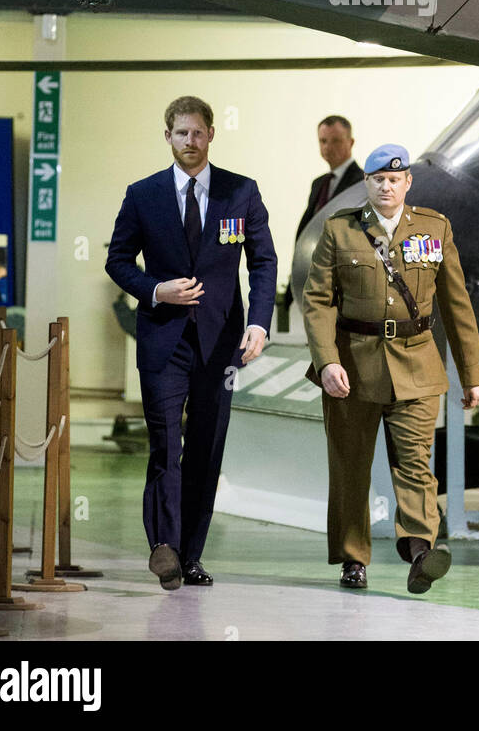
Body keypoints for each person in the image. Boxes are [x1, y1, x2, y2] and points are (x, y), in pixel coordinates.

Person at [105, 95, 277, 590]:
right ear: (168, 137)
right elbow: (118, 260)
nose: (190, 141)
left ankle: (190, 554)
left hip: (220, 344)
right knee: (165, 443)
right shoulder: (143, 195)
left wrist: (259, 323)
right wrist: (156, 290)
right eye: (181, 133)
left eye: (198, 132)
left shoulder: (240, 192)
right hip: (163, 340)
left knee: (206, 447)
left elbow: (263, 262)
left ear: (211, 135)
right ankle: (163, 547)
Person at [302, 143, 479, 595]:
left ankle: (420, 551)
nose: (386, 186)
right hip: (353, 366)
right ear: (366, 184)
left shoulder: (434, 228)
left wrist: (473, 374)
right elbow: (318, 302)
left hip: (417, 363)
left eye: (394, 179)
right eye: (377, 179)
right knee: (350, 468)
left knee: (415, 464)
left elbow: (457, 305)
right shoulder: (339, 230)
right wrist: (327, 362)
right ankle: (352, 559)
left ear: (407, 183)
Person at [283, 115, 364, 315]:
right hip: (315, 279)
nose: (328, 147)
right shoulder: (319, 184)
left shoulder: (364, 184)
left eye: (336, 140)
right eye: (323, 141)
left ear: (351, 142)